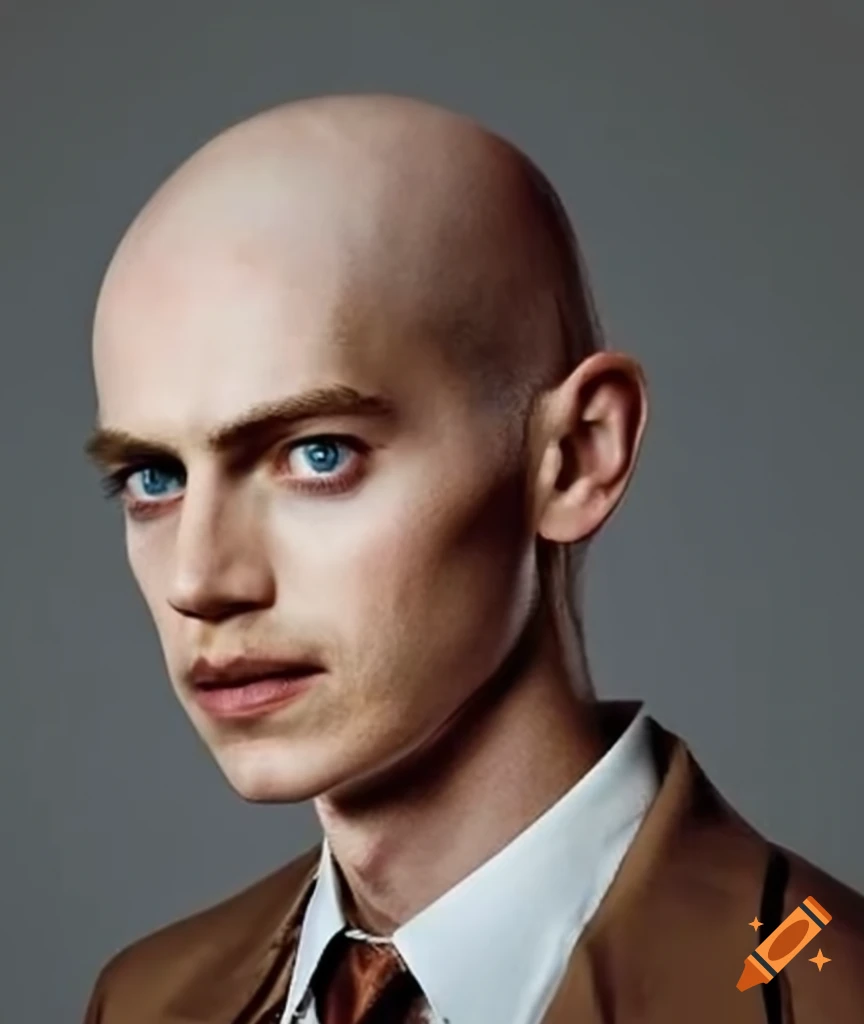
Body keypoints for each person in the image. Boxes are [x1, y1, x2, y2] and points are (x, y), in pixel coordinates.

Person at [80, 94, 864, 1024]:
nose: (199, 581)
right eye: (154, 477)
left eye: (318, 455)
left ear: (576, 456)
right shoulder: (145, 1003)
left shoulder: (826, 993)